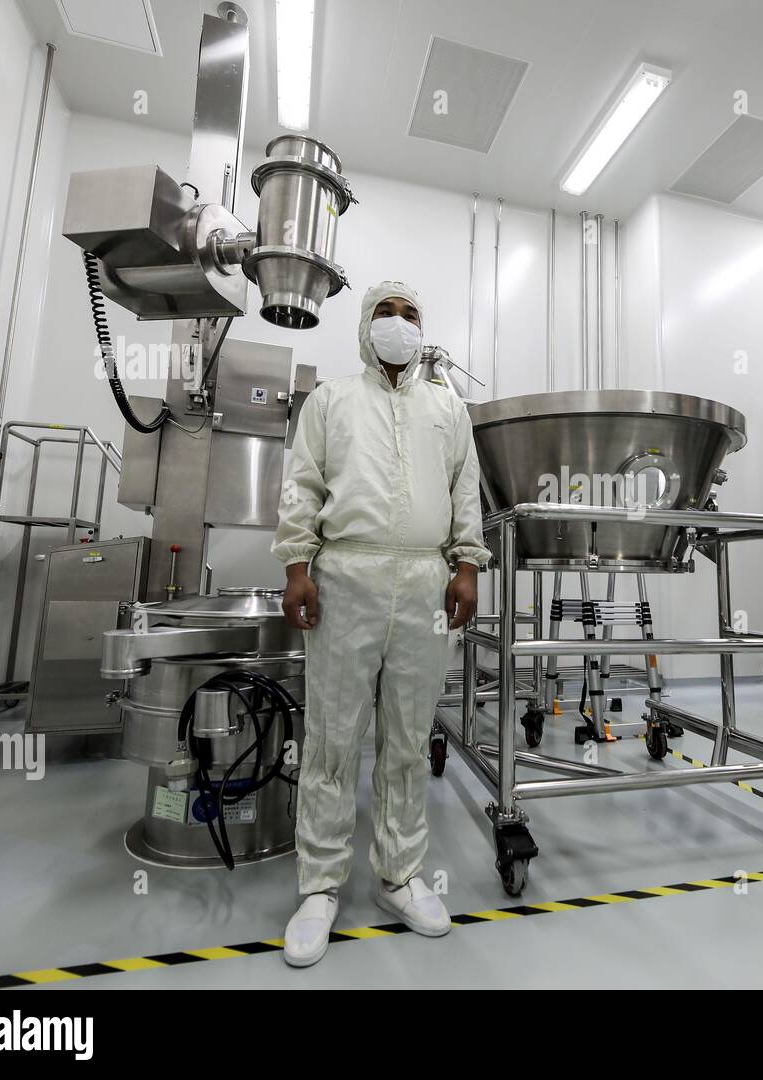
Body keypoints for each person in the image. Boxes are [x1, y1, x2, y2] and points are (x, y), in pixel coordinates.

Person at [271, 281, 489, 968]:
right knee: (333, 735)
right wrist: (297, 565)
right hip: (346, 576)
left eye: (411, 315)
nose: (399, 324)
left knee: (406, 734)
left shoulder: (446, 407)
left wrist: (468, 566)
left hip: (426, 578)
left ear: (424, 330)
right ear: (365, 327)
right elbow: (301, 484)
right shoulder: (331, 401)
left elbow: (465, 491)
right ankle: (320, 887)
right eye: (386, 314)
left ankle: (401, 875)